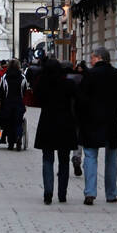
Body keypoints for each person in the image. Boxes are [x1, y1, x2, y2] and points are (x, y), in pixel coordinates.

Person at [75, 47, 117, 205]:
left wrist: (80, 118)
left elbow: (81, 99)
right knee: (111, 158)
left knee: (90, 156)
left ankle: (90, 193)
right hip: (111, 122)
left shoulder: (89, 75)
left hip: (91, 122)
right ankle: (111, 193)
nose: (90, 61)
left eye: (92, 58)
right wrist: (116, 113)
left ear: (98, 58)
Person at [33, 58, 78, 203]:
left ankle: (48, 193)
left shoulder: (41, 84)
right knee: (64, 161)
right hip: (65, 124)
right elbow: (76, 99)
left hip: (47, 123)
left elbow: (37, 100)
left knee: (47, 159)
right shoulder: (68, 84)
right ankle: (62, 194)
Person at [0, 60, 27, 150]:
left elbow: (1, 91)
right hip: (19, 103)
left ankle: (10, 142)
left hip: (7, 103)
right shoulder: (22, 77)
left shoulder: (5, 77)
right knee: (18, 121)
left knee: (8, 122)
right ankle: (18, 136)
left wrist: (0, 101)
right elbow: (24, 90)